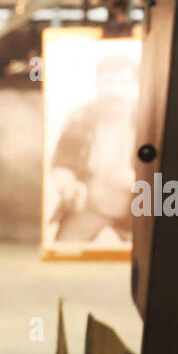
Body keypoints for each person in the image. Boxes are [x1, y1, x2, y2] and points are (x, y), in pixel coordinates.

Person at [48, 53, 140, 244]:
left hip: (138, 210)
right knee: (64, 250)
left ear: (135, 86)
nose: (115, 90)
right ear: (97, 85)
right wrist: (69, 187)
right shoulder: (80, 119)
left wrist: (138, 181)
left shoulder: (151, 119)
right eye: (108, 83)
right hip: (89, 207)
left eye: (123, 82)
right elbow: (61, 165)